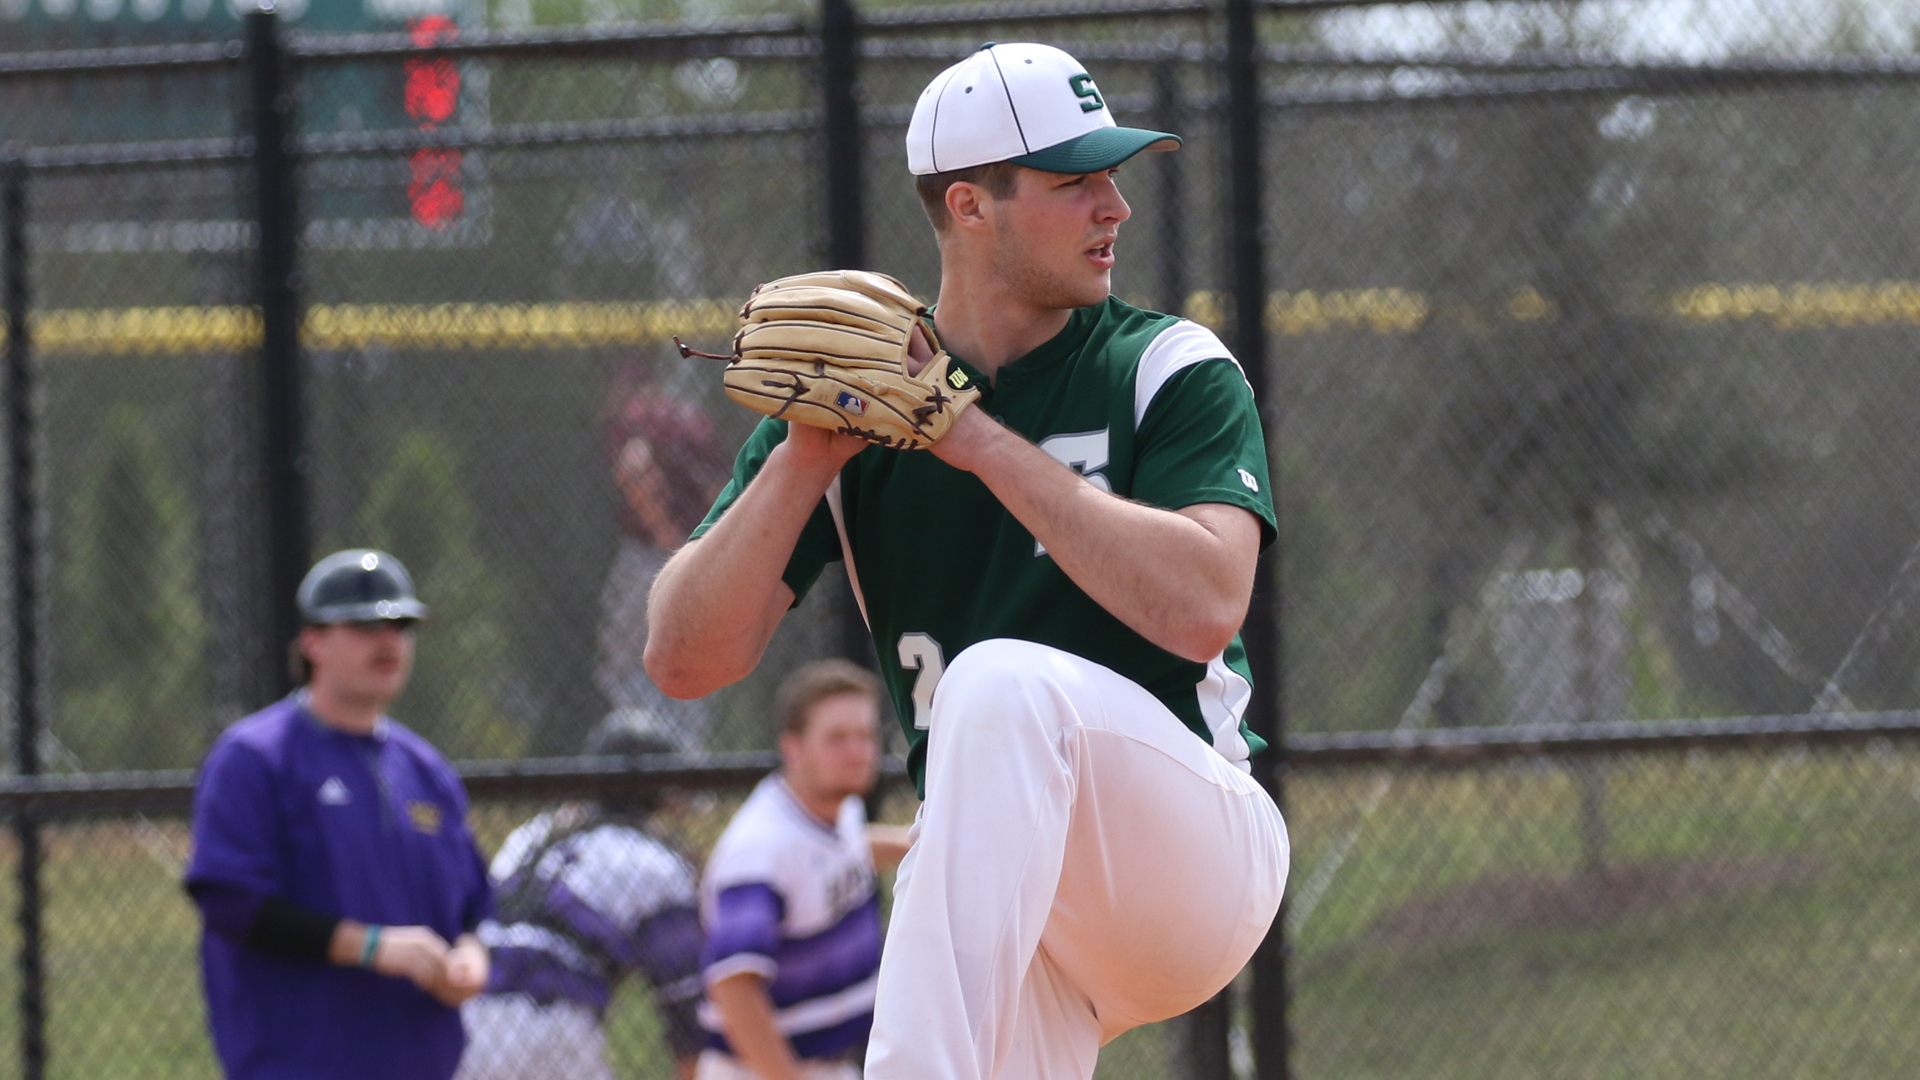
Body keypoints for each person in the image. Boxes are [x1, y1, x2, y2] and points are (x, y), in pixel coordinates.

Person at [646, 42, 1290, 1080]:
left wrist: (970, 437)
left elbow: (1205, 604)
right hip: (1019, 903)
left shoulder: (1162, 366)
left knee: (997, 683)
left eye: (1112, 177)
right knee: (975, 764)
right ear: (971, 205)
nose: (1114, 207)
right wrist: (806, 457)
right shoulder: (854, 417)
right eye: (1076, 179)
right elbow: (683, 659)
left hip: (1193, 853)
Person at [185, 549, 493, 1080]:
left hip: (422, 1062)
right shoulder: (256, 756)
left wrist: (471, 957)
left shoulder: (426, 771)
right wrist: (374, 947)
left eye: (400, 625)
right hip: (301, 1061)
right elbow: (231, 902)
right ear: (312, 642)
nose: (388, 641)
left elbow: (472, 909)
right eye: (364, 624)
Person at [456, 715, 708, 1080]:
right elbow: (684, 1005)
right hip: (552, 1020)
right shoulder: (654, 860)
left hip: (469, 1015)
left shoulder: (534, 832)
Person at [694, 660, 909, 1080]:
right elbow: (733, 987)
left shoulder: (835, 810)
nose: (858, 751)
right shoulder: (759, 853)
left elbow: (847, 848)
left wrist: (914, 843)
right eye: (837, 739)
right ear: (792, 748)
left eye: (865, 736)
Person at [595, 363, 732, 749]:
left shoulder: (637, 416)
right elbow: (720, 487)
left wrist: (666, 536)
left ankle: (637, 759)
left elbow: (635, 469)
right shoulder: (694, 422)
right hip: (701, 557)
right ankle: (688, 771)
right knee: (696, 660)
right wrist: (707, 544)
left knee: (623, 665)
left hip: (650, 557)